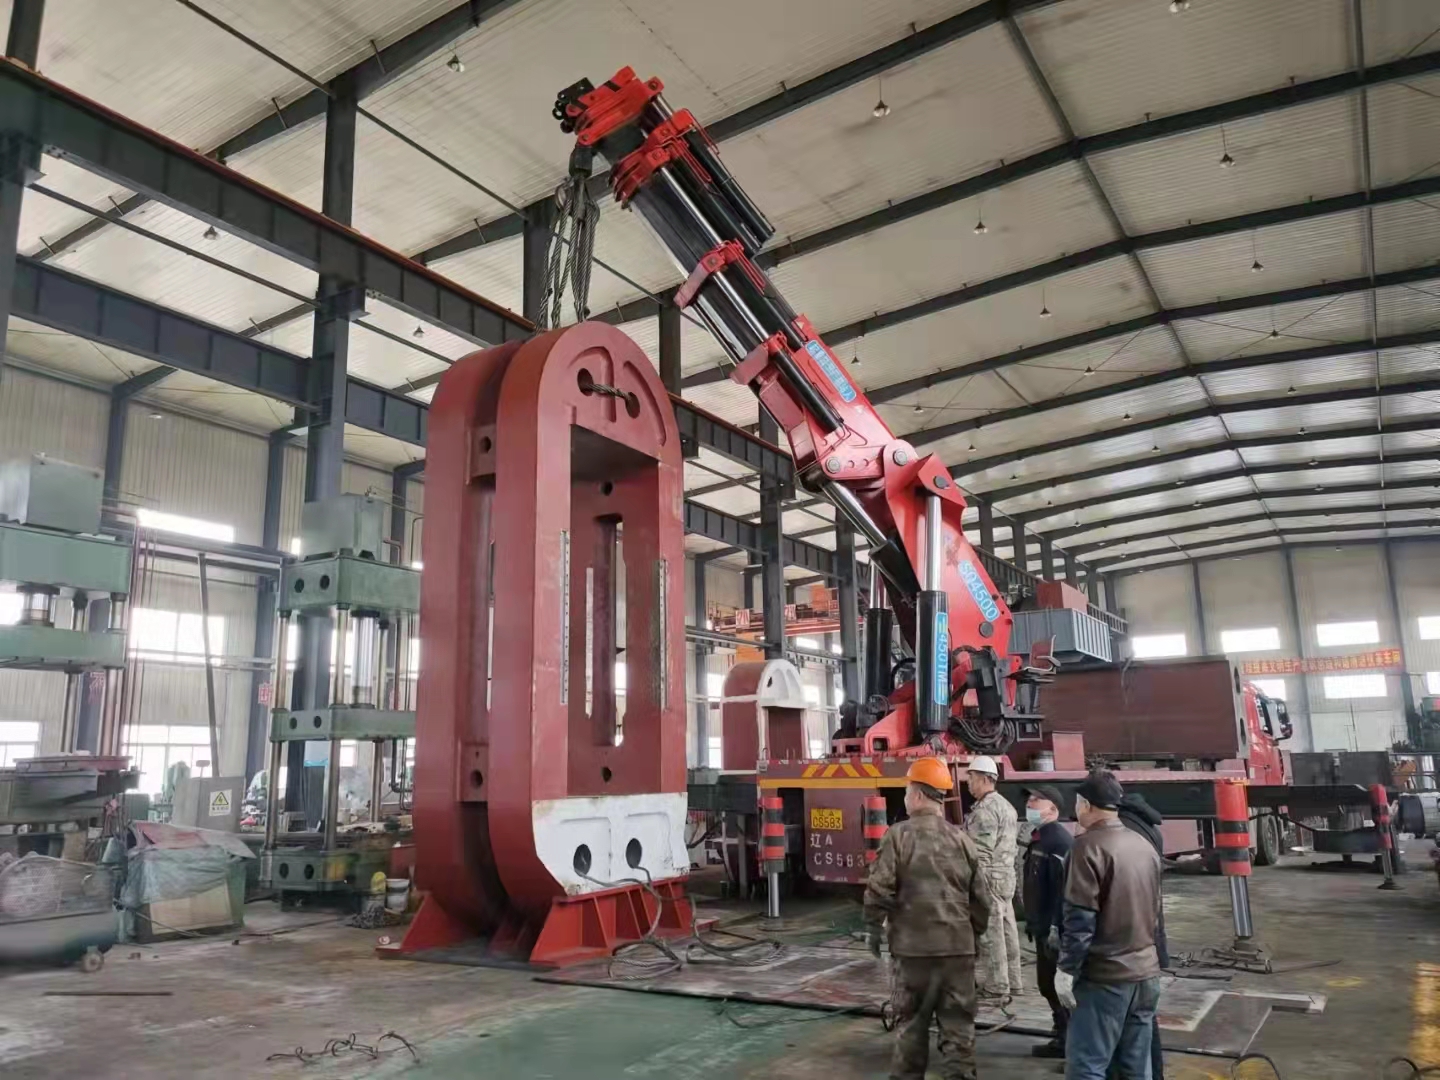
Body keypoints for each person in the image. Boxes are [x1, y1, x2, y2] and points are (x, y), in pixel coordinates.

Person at [865, 756, 992, 1080]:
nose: (905, 797)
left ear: (919, 795)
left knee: (911, 1031)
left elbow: (879, 889)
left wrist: (873, 930)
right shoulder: (962, 839)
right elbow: (982, 900)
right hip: (957, 955)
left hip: (913, 955)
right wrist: (971, 936)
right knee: (959, 1037)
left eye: (907, 790)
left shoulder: (898, 836)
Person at [1055, 770, 1163, 1080]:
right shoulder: (1142, 845)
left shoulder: (1087, 847)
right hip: (1146, 976)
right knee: (1135, 1068)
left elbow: (1080, 919)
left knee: (1087, 1067)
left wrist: (1066, 969)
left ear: (1086, 805)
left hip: (1106, 978)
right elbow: (1154, 912)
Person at [1109, 792, 1170, 1080]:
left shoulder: (1128, 834)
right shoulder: (1149, 830)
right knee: (1143, 1018)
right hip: (1149, 939)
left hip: (1133, 944)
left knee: (1135, 1021)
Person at [964, 754, 1023, 1000]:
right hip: (1006, 875)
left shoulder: (986, 810)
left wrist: (973, 880)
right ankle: (1014, 981)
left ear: (986, 779)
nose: (968, 783)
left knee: (991, 931)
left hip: (989, 877)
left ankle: (997, 985)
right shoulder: (1006, 806)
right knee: (1008, 928)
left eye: (971, 778)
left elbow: (981, 852)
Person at [1022, 784, 1073, 1059]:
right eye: (1029, 799)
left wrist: (1055, 927)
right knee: (1046, 984)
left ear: (1053, 809)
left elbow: (1064, 892)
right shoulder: (1040, 838)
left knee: (1059, 987)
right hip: (1042, 928)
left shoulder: (1059, 842)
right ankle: (1062, 1035)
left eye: (1036, 800)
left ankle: (1071, 1042)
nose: (1029, 804)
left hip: (1055, 931)